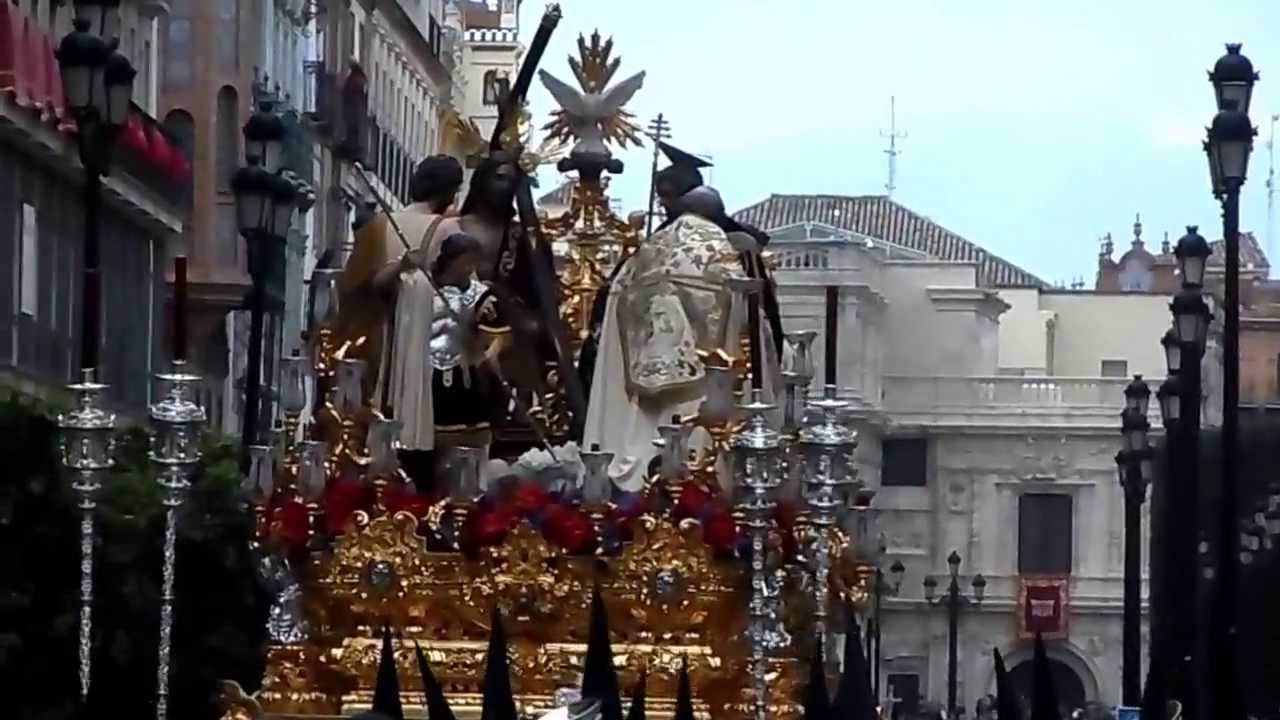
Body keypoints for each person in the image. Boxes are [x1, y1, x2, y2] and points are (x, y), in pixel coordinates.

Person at [582, 184, 750, 494]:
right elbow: (744, 312)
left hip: (640, 385)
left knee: (644, 433)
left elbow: (615, 303)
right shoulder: (721, 250)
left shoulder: (646, 252)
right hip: (699, 391)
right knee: (694, 444)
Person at [336, 154, 464, 491]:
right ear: (449, 190)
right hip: (424, 340)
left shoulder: (380, 224)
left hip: (376, 338)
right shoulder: (448, 229)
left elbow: (357, 284)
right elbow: (463, 290)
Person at [425, 232, 511, 463]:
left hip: (464, 369)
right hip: (426, 369)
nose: (469, 268)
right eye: (465, 261)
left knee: (468, 439)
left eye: (473, 262)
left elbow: (499, 335)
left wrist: (487, 351)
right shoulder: (422, 287)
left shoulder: (481, 294)